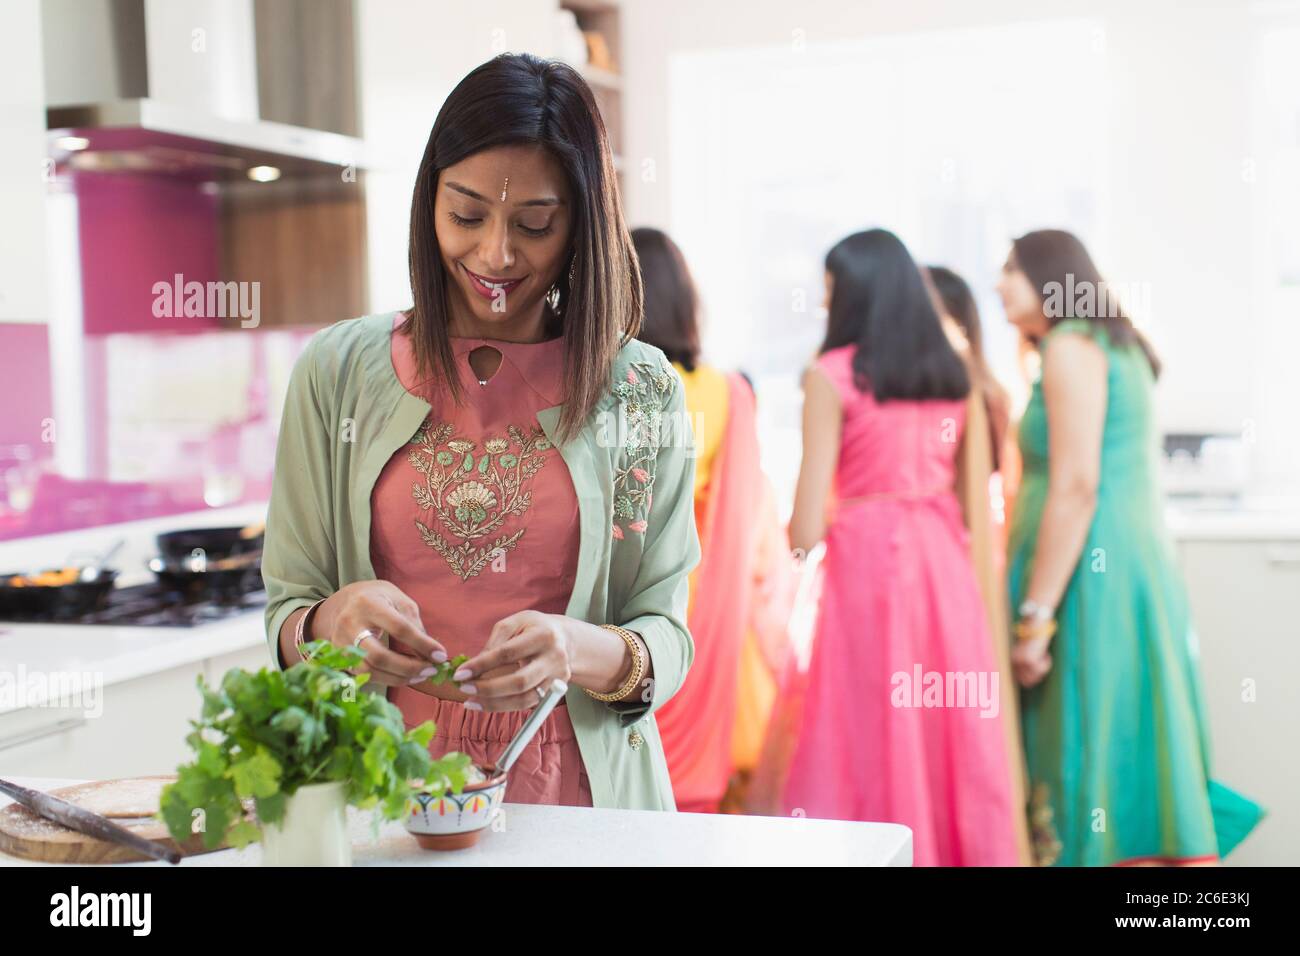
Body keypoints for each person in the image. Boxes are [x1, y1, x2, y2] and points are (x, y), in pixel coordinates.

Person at [260, 53, 700, 811]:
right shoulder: (335, 373)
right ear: (428, 201)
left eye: (534, 225)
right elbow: (286, 613)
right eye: (466, 215)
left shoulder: (643, 388)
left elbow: (668, 633)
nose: (495, 255)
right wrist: (328, 623)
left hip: (580, 796)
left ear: (581, 226)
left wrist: (578, 650)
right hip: (377, 793)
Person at [998, 228, 1264, 864]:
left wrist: (1035, 619)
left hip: (1089, 577)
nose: (1000, 285)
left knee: (1086, 737)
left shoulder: (1072, 345)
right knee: (1126, 735)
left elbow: (1078, 486)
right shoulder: (1111, 346)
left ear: (1051, 275)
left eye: (1010, 270)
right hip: (1122, 566)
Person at [781, 229, 1021, 865]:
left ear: (853, 295)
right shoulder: (954, 377)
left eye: (830, 291)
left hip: (868, 568)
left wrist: (807, 531)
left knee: (870, 725)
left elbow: (805, 526)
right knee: (950, 726)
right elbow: (979, 504)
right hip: (944, 565)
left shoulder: (830, 377)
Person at [630, 226, 765, 813]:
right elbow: (745, 516)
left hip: (624, 593)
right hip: (701, 596)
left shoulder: (614, 385)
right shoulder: (724, 390)